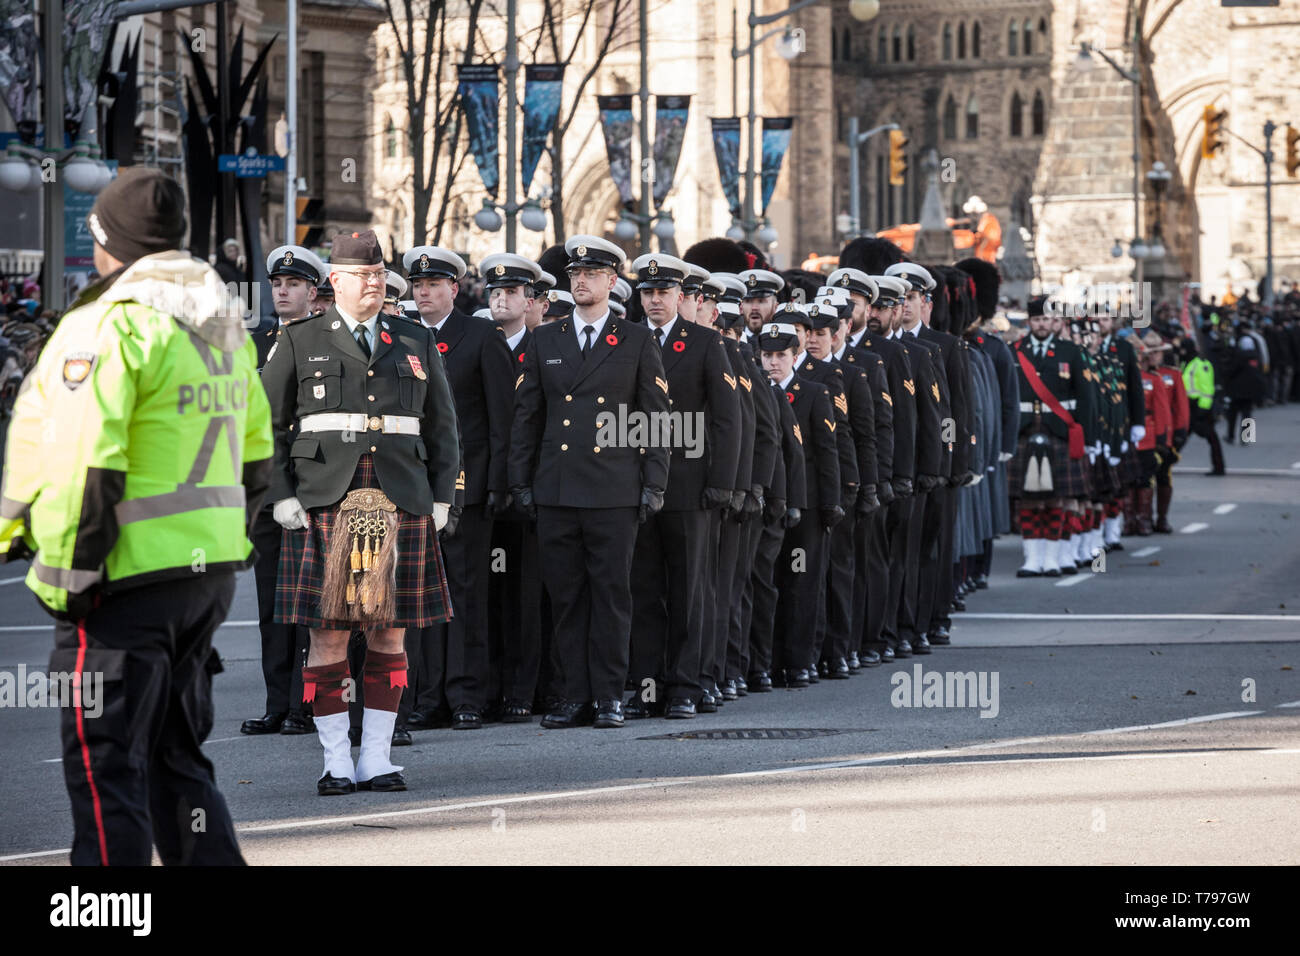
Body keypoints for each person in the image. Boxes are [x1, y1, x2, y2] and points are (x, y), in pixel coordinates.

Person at [0, 168, 273, 864]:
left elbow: (85, 464)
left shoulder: (109, 325)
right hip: (203, 577)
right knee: (177, 761)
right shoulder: (222, 328)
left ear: (110, 244)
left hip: (123, 583)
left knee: (105, 775)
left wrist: (68, 578)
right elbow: (256, 458)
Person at [261, 229, 460, 795]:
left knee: (390, 634)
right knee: (326, 636)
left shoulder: (414, 339)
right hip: (325, 499)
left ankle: (376, 757)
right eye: (362, 275)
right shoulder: (300, 340)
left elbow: (444, 428)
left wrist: (444, 496)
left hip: (401, 496)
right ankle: (334, 761)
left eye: (379, 275)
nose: (373, 283)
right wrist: (281, 495)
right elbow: (265, 427)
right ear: (337, 281)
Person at [510, 235, 671, 729]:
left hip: (613, 489)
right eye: (575, 275)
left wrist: (654, 483)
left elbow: (655, 416)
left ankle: (608, 696)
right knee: (566, 597)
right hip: (557, 488)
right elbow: (527, 417)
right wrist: (521, 482)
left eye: (592, 275)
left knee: (611, 597)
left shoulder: (636, 339)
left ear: (611, 282)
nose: (581, 281)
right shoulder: (546, 339)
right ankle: (573, 695)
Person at [402, 245, 516, 731]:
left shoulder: (479, 335)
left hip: (466, 487)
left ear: (454, 288)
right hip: (412, 487)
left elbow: (500, 419)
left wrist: (498, 484)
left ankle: (467, 694)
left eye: (433, 285)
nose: (423, 292)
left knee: (466, 595)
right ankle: (429, 696)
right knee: (419, 597)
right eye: (418, 285)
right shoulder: (400, 336)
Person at [241, 243, 327, 738]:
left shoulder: (325, 340)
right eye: (277, 284)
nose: (283, 291)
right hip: (264, 491)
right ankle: (277, 702)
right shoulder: (254, 341)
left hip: (311, 486)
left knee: (308, 605)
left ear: (312, 291)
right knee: (272, 606)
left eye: (293, 284)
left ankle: (306, 702)